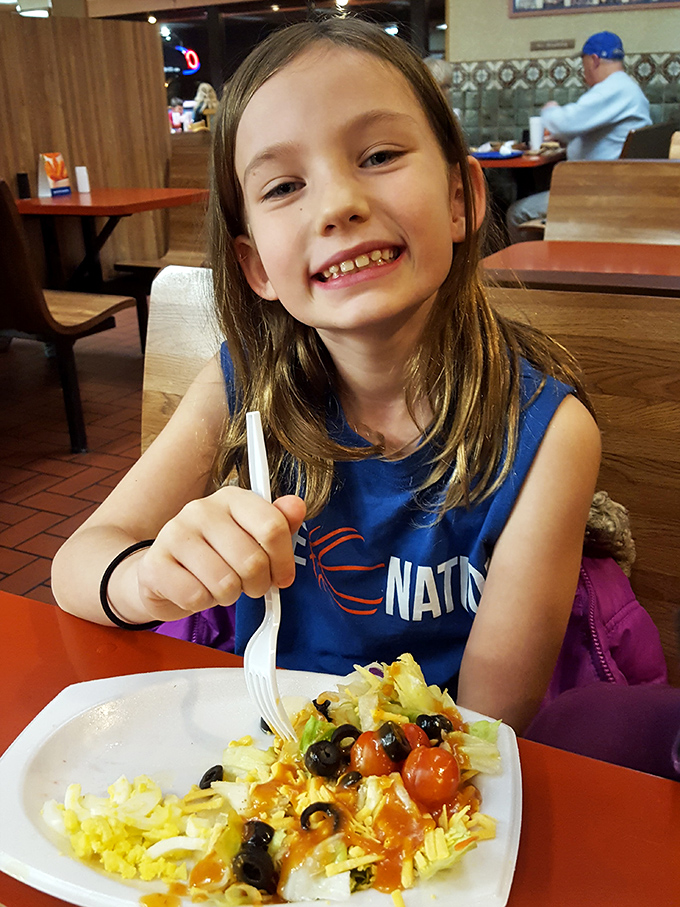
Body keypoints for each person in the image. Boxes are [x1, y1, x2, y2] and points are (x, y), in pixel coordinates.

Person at [51, 18, 601, 736]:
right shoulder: (240, 386)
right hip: (252, 744)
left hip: (430, 775)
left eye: (378, 154)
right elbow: (75, 566)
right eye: (283, 185)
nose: (338, 202)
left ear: (462, 198)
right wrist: (148, 576)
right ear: (257, 268)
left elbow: (488, 722)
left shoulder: (548, 436)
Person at [506, 31, 651, 243]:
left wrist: (550, 110)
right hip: (609, 186)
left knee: (517, 213)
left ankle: (527, 275)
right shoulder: (628, 89)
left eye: (583, 66)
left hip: (598, 194)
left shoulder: (614, 89)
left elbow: (564, 123)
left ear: (594, 60)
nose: (584, 74)